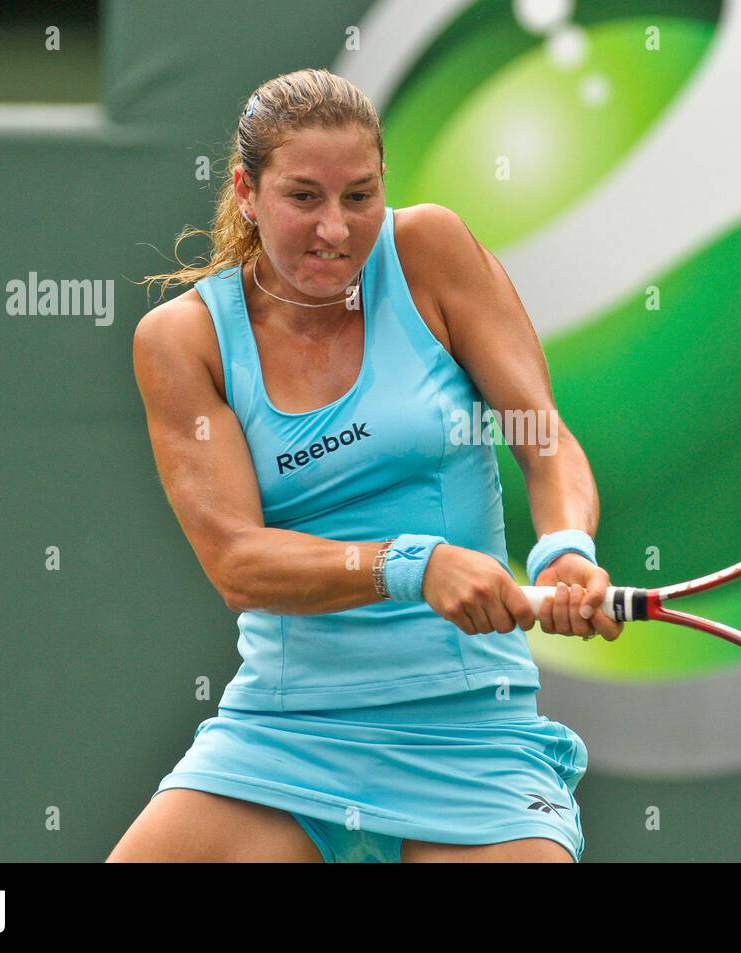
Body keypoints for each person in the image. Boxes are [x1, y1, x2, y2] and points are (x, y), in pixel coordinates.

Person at [108, 68, 622, 863]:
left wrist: (564, 547)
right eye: (303, 197)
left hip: (471, 728)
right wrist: (414, 565)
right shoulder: (184, 341)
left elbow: (542, 436)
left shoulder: (430, 252)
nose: (336, 230)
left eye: (359, 195)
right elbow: (238, 561)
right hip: (286, 731)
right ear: (247, 191)